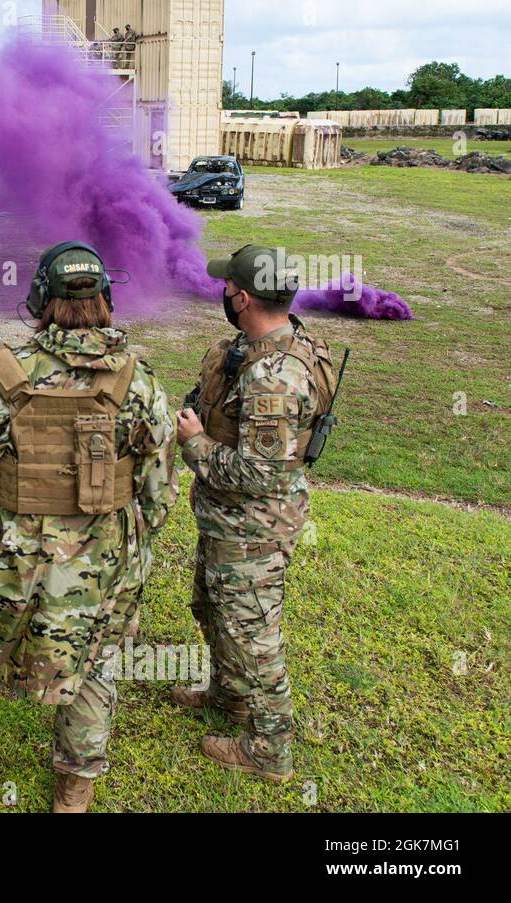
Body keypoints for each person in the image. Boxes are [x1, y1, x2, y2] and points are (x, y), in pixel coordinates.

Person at [0, 242, 177, 812]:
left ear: (39, 301)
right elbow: (158, 494)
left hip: (12, 556)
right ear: (106, 300)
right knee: (97, 660)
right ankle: (73, 794)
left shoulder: (1, 377)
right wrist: (123, 543)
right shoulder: (140, 383)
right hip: (105, 562)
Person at [175, 245, 339, 782]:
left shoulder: (274, 377)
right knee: (213, 607)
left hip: (254, 528)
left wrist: (196, 444)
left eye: (228, 288)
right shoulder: (259, 347)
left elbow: (259, 474)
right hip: (228, 522)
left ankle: (269, 750)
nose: (222, 294)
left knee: (253, 635)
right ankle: (231, 695)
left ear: (242, 297)